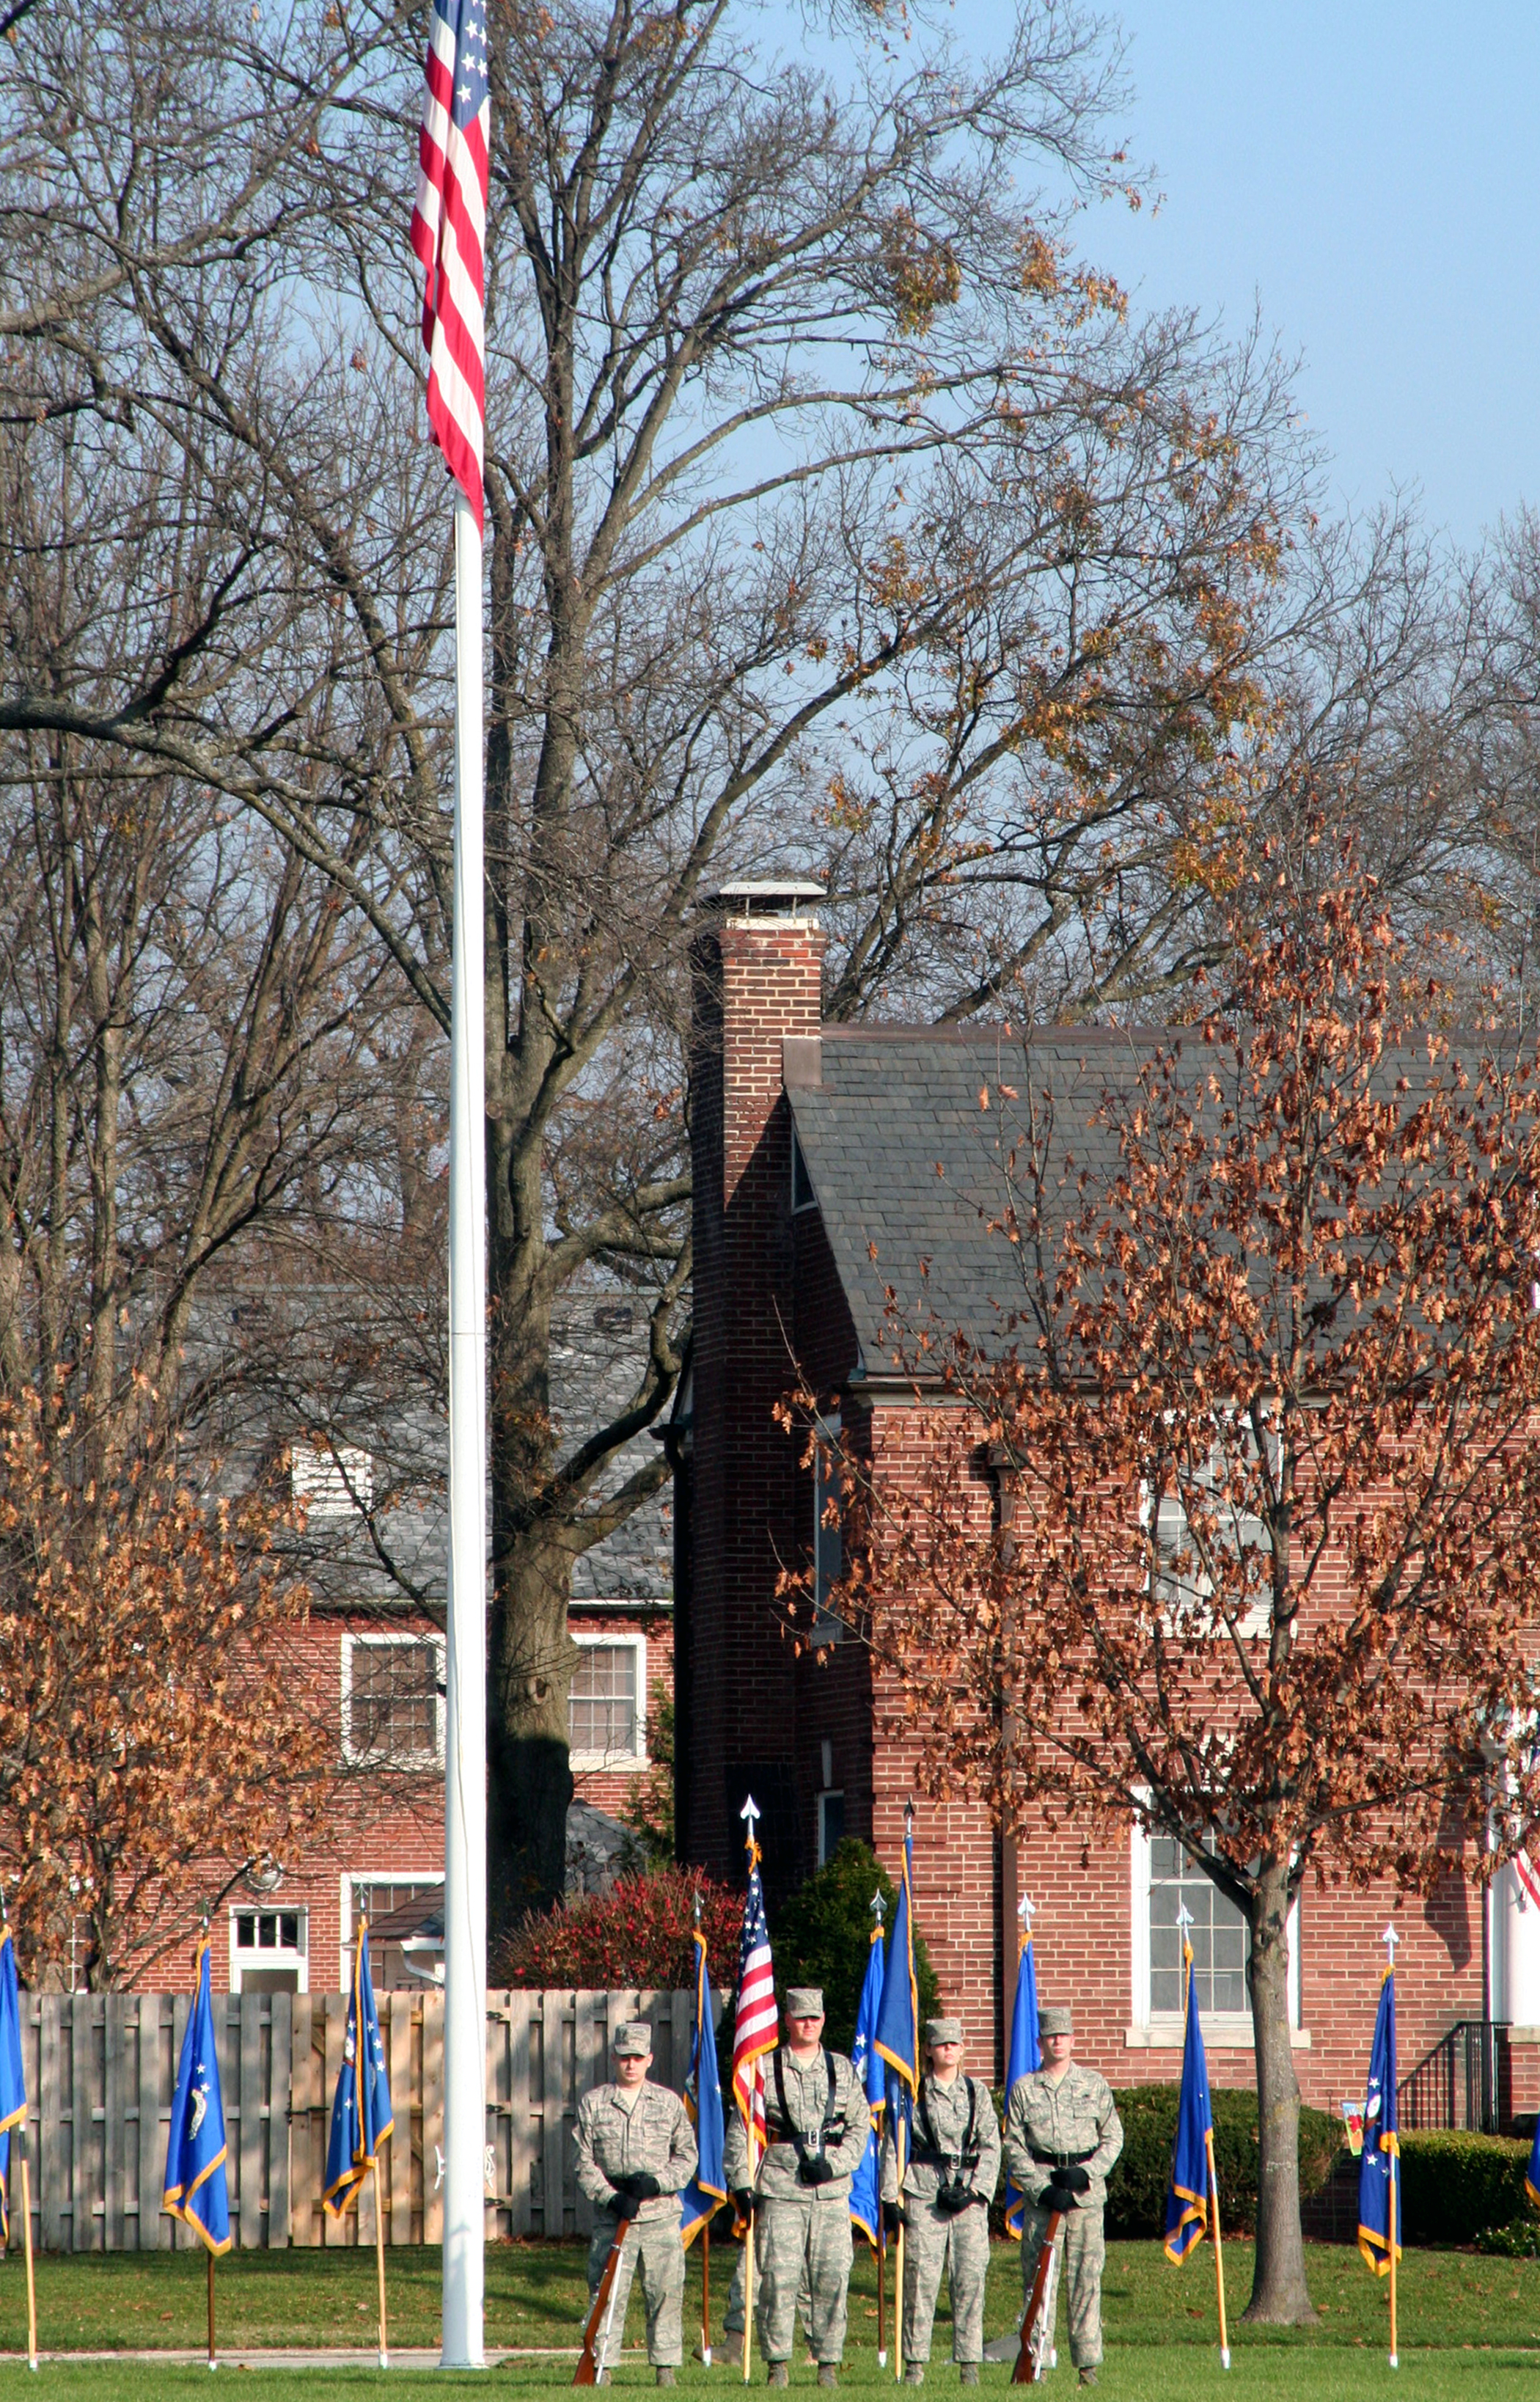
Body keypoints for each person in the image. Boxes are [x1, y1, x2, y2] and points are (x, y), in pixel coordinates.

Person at [725, 1985, 871, 2390]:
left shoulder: (841, 2069)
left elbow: (860, 2129)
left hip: (830, 2191)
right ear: (787, 2020)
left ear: (823, 2020)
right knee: (777, 2279)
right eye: (801, 2017)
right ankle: (777, 2365)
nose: (808, 2024)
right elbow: (743, 2128)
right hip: (780, 2188)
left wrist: (834, 2165)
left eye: (815, 2018)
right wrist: (741, 2183)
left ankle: (828, 2363)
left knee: (832, 2277)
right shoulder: (762, 2068)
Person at [1004, 2002, 1123, 2390]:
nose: (1058, 2041)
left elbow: (1113, 2137)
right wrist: (1041, 2188)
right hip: (1044, 2202)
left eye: (1064, 2035)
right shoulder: (1024, 2090)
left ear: (1073, 2040)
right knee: (1039, 2283)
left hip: (1086, 2200)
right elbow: (1013, 2147)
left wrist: (1086, 2174)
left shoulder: (1093, 2084)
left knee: (1086, 2281)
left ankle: (1088, 2368)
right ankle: (1035, 2363)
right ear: (1040, 2042)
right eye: (1050, 2036)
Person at [573, 2020, 699, 2387]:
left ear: (650, 2059)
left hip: (659, 2216)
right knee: (607, 2297)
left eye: (638, 2057)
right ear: (614, 2058)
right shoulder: (594, 2104)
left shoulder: (668, 2103)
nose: (631, 2064)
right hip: (613, 2220)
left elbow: (687, 2157)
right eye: (625, 2057)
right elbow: (583, 2163)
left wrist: (658, 2182)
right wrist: (610, 2196)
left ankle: (665, 2371)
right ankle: (602, 2369)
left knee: (665, 2294)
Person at [883, 2015, 1001, 2387]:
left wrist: (976, 2191)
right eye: (941, 2044)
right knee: (920, 2282)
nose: (949, 2050)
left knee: (969, 2280)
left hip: (968, 2198)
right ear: (930, 2050)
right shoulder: (912, 2094)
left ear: (962, 2049)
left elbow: (991, 2146)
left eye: (955, 2044)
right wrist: (890, 2196)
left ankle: (969, 2365)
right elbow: (894, 2145)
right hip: (924, 2194)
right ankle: (915, 2365)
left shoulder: (976, 2092)